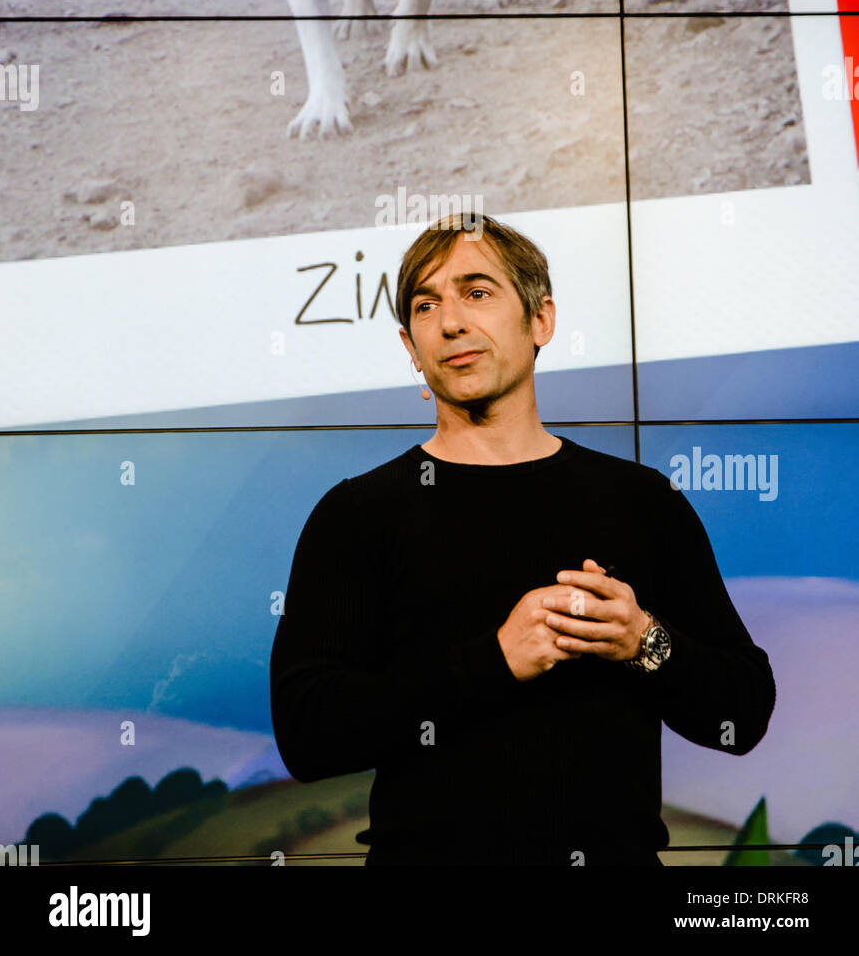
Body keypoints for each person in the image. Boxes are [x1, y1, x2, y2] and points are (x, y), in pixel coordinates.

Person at [270, 212, 776, 866]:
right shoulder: (357, 514)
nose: (451, 321)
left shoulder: (642, 500)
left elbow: (743, 713)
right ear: (409, 346)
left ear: (541, 321)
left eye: (477, 293)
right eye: (427, 305)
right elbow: (309, 736)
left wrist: (641, 642)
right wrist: (494, 663)